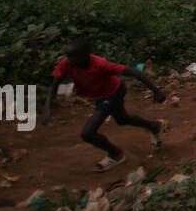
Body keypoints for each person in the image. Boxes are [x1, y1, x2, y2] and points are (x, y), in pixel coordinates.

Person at [41, 36, 167, 172]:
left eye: (73, 57)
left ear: (84, 56)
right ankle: (154, 126)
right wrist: (48, 106)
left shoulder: (100, 64)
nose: (69, 60)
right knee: (123, 119)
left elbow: (133, 71)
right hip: (101, 96)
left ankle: (115, 154)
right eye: (68, 56)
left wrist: (156, 90)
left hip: (113, 93)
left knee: (87, 133)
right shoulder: (67, 63)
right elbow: (54, 85)